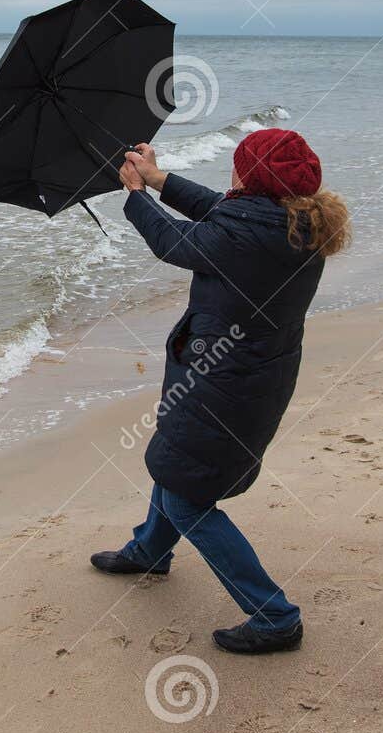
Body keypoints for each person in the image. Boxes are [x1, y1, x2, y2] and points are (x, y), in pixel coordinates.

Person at [92, 127, 351, 655]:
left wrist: (136, 197)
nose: (231, 175)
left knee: (189, 496)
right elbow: (219, 209)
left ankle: (274, 616)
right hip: (250, 375)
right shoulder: (296, 220)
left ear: (252, 180)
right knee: (178, 465)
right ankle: (149, 551)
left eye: (240, 166)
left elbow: (175, 243)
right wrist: (159, 179)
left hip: (223, 383)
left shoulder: (248, 235)